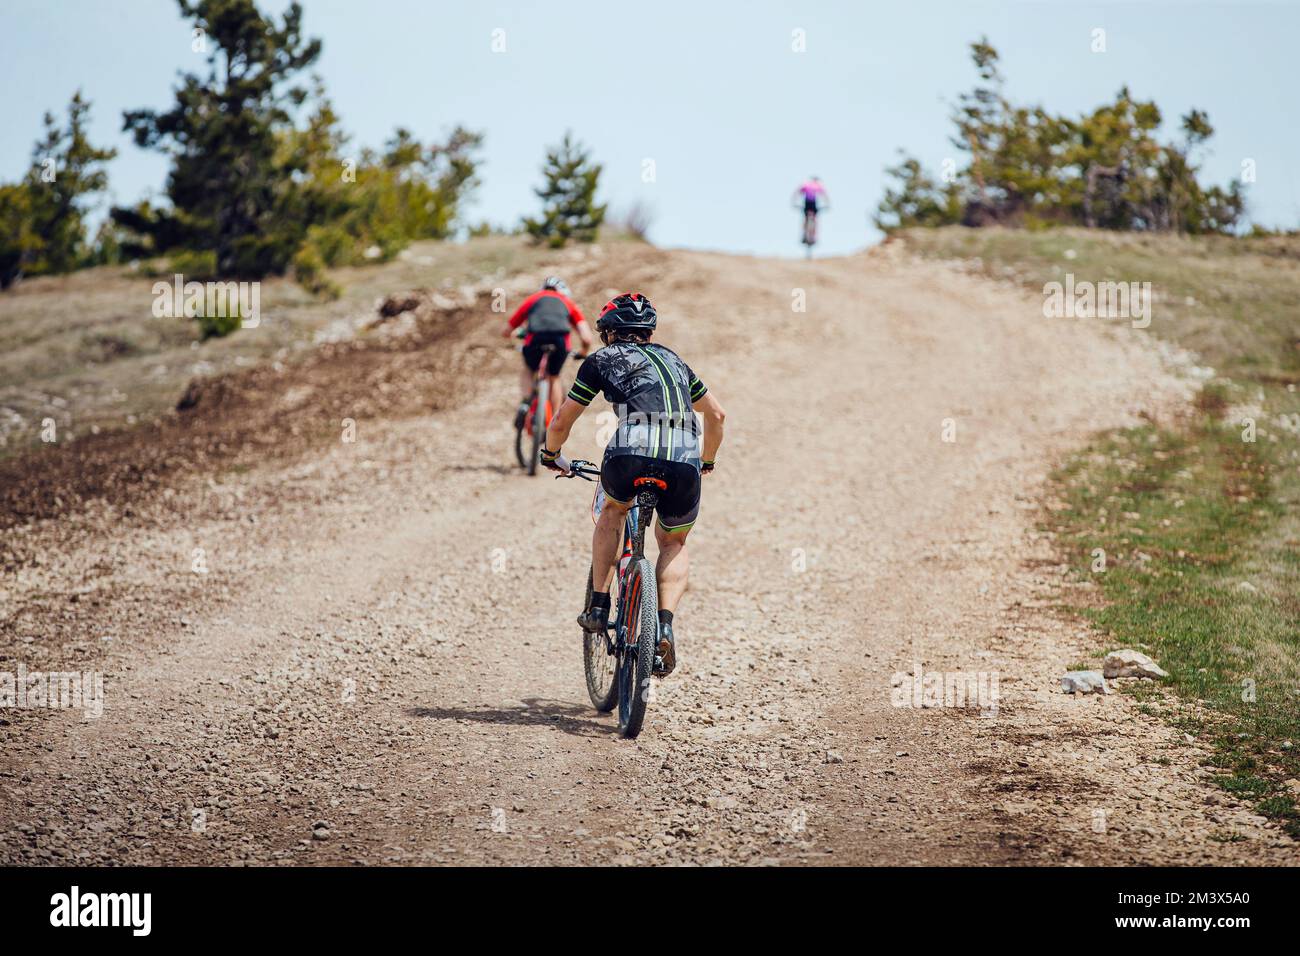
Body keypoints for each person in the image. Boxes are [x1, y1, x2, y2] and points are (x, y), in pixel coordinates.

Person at [540, 292, 726, 676]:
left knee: (613, 509)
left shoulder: (601, 360)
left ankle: (598, 605)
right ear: (648, 331)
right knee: (673, 541)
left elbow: (561, 421)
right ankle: (665, 627)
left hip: (630, 451)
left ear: (608, 333)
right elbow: (718, 415)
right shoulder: (674, 360)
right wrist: (706, 459)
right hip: (684, 458)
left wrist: (550, 454)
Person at [503, 277, 593, 428]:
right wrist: (583, 352)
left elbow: (506, 331)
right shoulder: (567, 302)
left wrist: (513, 338)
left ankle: (525, 403)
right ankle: (555, 420)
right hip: (560, 343)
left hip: (534, 341)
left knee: (528, 370)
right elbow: (586, 337)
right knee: (554, 377)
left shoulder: (532, 299)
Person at [793, 176, 829, 245]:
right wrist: (827, 204)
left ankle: (804, 234)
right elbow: (825, 195)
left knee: (806, 218)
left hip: (806, 203)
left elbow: (797, 192)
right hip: (813, 204)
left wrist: (794, 201)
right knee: (815, 219)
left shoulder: (805, 184)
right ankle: (814, 236)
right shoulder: (818, 186)